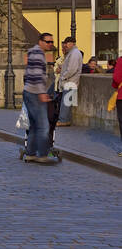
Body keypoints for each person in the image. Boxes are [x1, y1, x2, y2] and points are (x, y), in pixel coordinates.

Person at [23, 32, 59, 164]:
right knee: (44, 126)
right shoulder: (38, 53)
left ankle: (30, 154)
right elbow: (37, 75)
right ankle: (42, 155)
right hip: (35, 93)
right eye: (48, 42)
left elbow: (28, 74)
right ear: (41, 41)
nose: (50, 44)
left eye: (52, 42)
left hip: (28, 91)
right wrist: (42, 93)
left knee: (33, 125)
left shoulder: (32, 52)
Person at [58, 35, 82, 126]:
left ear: (73, 43)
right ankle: (65, 120)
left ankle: (63, 120)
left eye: (67, 43)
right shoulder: (72, 52)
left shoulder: (75, 53)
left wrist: (63, 76)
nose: (66, 45)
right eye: (65, 43)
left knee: (66, 103)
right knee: (67, 102)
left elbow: (72, 69)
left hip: (70, 81)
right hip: (70, 81)